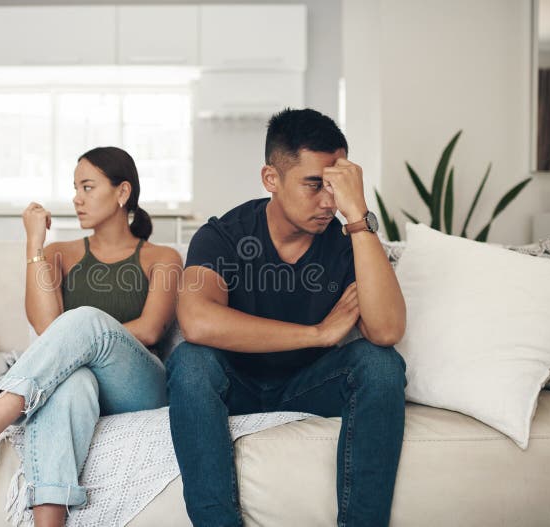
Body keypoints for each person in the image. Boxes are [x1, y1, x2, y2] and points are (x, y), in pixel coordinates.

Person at [0, 146, 182, 527]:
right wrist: (34, 245)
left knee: (84, 321)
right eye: (74, 187)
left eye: (87, 187)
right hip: (80, 383)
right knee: (70, 382)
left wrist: (90, 334)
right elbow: (46, 326)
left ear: (122, 193)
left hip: (139, 385)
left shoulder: (162, 257)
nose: (76, 198)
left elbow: (152, 328)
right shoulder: (58, 253)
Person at [167, 108, 407, 527]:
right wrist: (317, 333)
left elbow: (385, 331)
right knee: (190, 361)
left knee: (382, 365)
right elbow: (197, 322)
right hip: (234, 385)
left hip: (308, 387)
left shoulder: (350, 239)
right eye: (314, 185)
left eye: (335, 186)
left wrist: (358, 217)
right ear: (271, 179)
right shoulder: (223, 235)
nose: (328, 201)